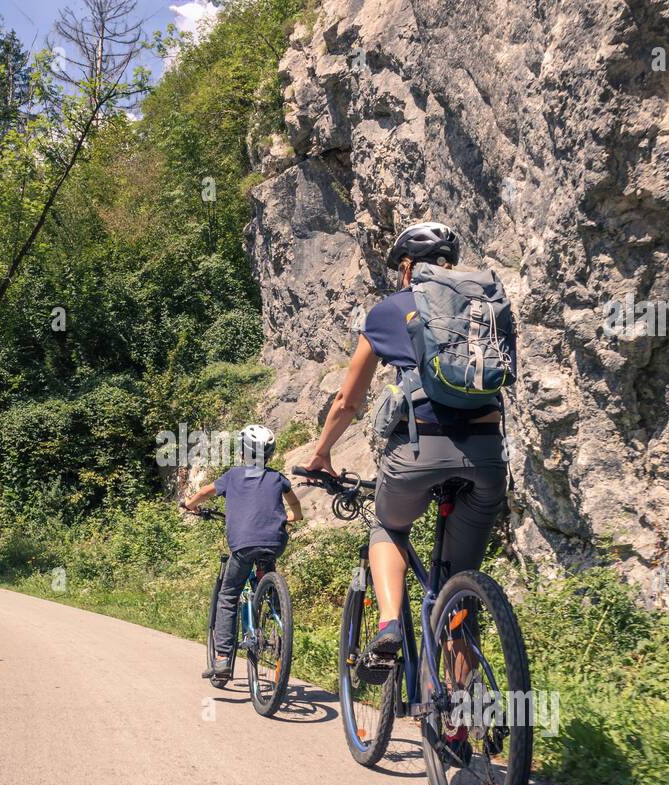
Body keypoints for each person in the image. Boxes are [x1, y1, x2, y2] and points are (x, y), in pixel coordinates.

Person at [301, 221, 508, 688]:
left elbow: (347, 403)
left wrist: (321, 454)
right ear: (449, 264)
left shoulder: (387, 311)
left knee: (389, 527)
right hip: (488, 453)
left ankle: (389, 626)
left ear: (408, 268)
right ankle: (458, 716)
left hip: (418, 451)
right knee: (461, 587)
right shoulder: (482, 307)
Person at [182, 424, 304, 678]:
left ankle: (223, 658)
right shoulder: (277, 478)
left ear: (243, 452)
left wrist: (190, 504)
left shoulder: (233, 476)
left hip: (244, 544)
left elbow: (205, 492)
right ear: (269, 454)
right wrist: (294, 516)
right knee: (266, 567)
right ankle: (273, 606)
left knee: (228, 595)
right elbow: (294, 505)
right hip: (274, 541)